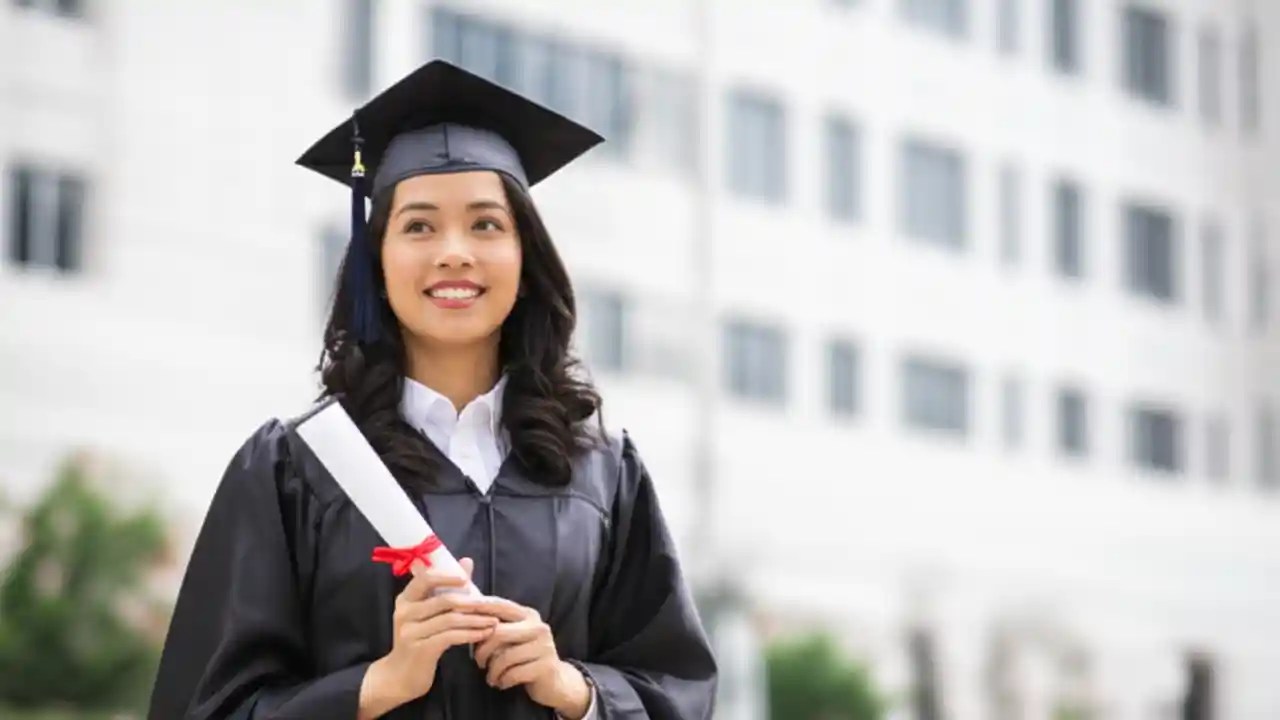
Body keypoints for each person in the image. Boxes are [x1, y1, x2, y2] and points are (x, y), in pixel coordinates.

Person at [147, 59, 717, 720]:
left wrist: (577, 693)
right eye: (418, 226)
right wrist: (376, 685)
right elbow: (206, 709)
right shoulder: (295, 469)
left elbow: (677, 693)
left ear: (526, 260)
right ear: (376, 262)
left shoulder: (602, 472)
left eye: (486, 225)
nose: (453, 252)